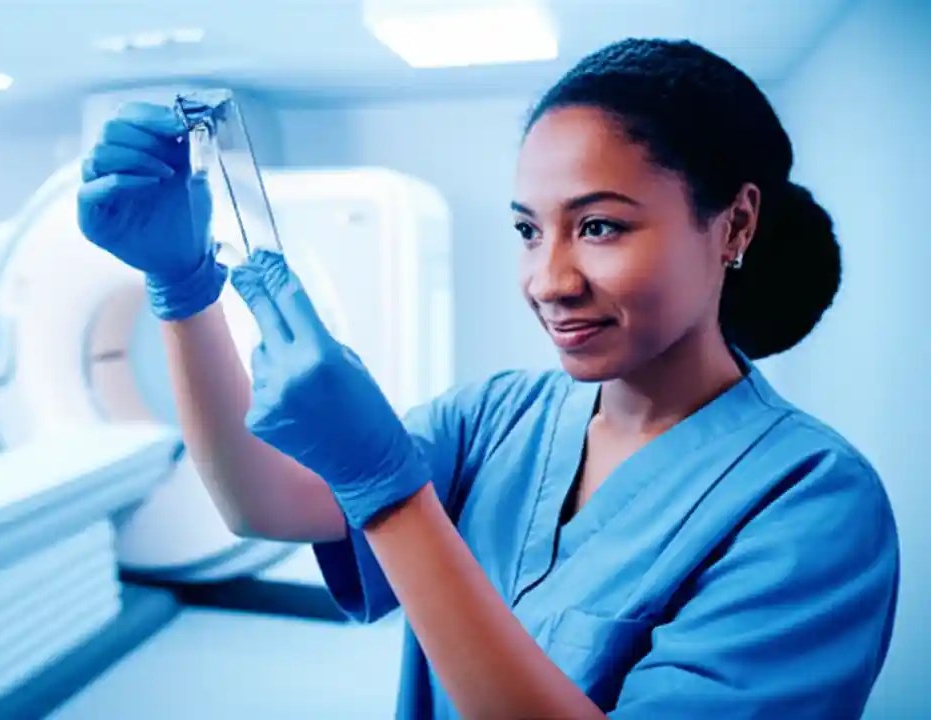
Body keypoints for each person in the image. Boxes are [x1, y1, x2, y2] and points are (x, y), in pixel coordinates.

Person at [76, 38, 899, 719]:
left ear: (735, 225)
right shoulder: (501, 415)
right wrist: (182, 286)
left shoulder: (812, 506)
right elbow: (263, 505)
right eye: (528, 231)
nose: (549, 278)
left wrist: (390, 494)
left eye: (601, 226)